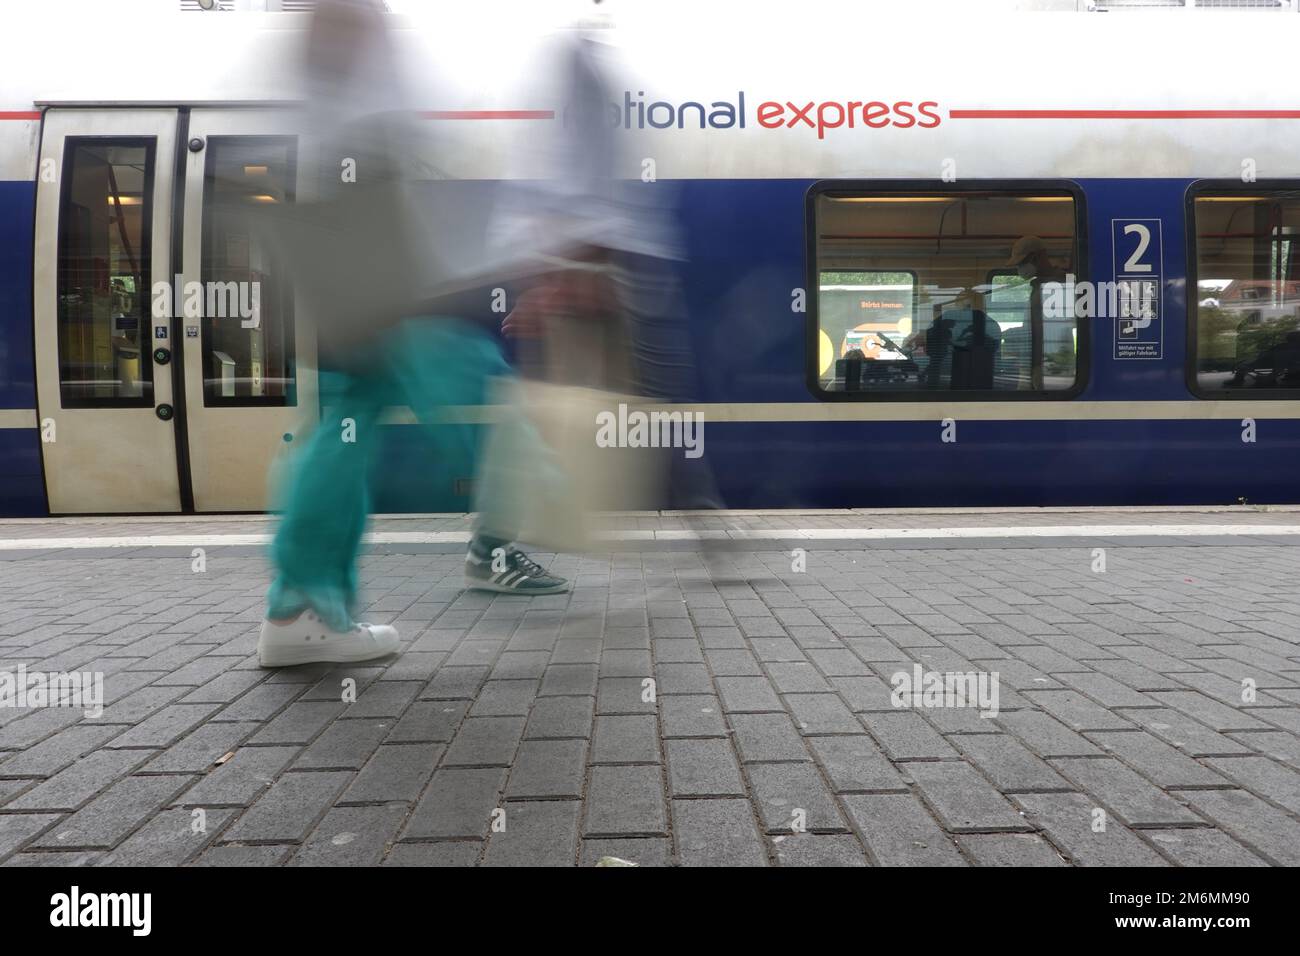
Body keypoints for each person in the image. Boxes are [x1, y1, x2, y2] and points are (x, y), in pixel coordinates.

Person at [256, 0, 568, 669]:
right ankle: (519, 524)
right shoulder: (355, 55)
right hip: (368, 205)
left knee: (354, 409)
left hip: (350, 208)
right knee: (462, 378)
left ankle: (303, 603)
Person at [1006, 235, 1068, 391]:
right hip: (1036, 364)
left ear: (1036, 257)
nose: (1019, 269)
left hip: (1050, 367)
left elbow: (1054, 333)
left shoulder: (1058, 287)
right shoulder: (1039, 287)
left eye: (1021, 263)